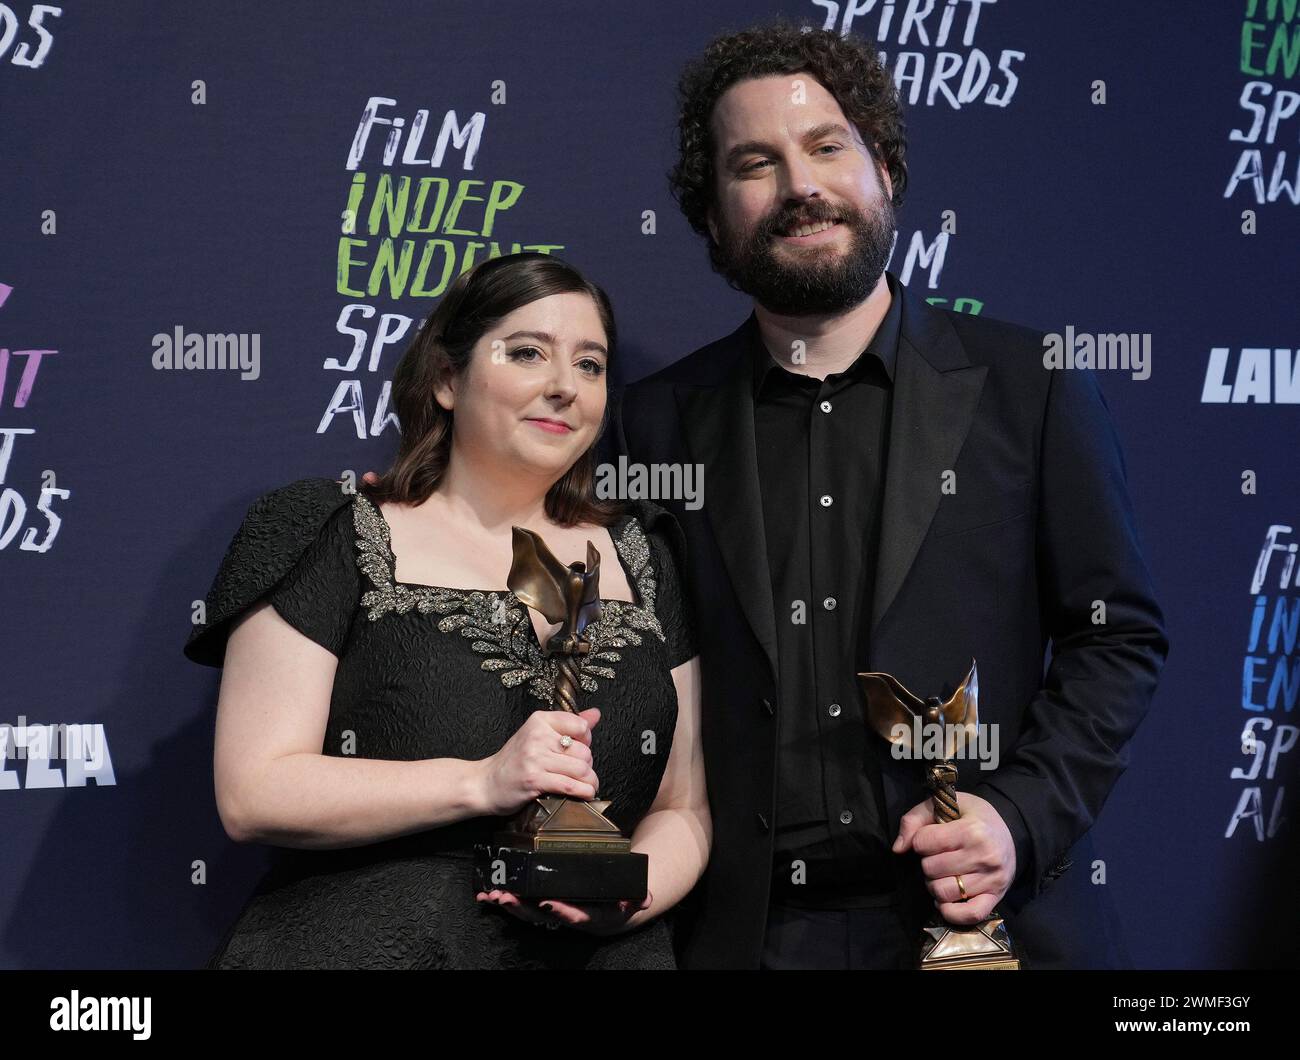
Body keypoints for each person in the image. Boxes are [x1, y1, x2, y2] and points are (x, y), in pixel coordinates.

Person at [613, 21, 1169, 969]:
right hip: (745, 939)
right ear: (710, 215)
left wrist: (1017, 815)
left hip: (981, 925)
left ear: (884, 169)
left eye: (826, 146)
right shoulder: (652, 422)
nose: (800, 185)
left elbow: (1115, 637)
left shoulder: (1031, 384)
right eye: (755, 163)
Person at [184, 252, 709, 969]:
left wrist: (625, 900)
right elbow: (255, 791)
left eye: (590, 365)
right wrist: (482, 781)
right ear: (445, 379)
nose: (565, 386)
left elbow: (683, 809)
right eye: (527, 353)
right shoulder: (333, 531)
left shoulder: (645, 553)